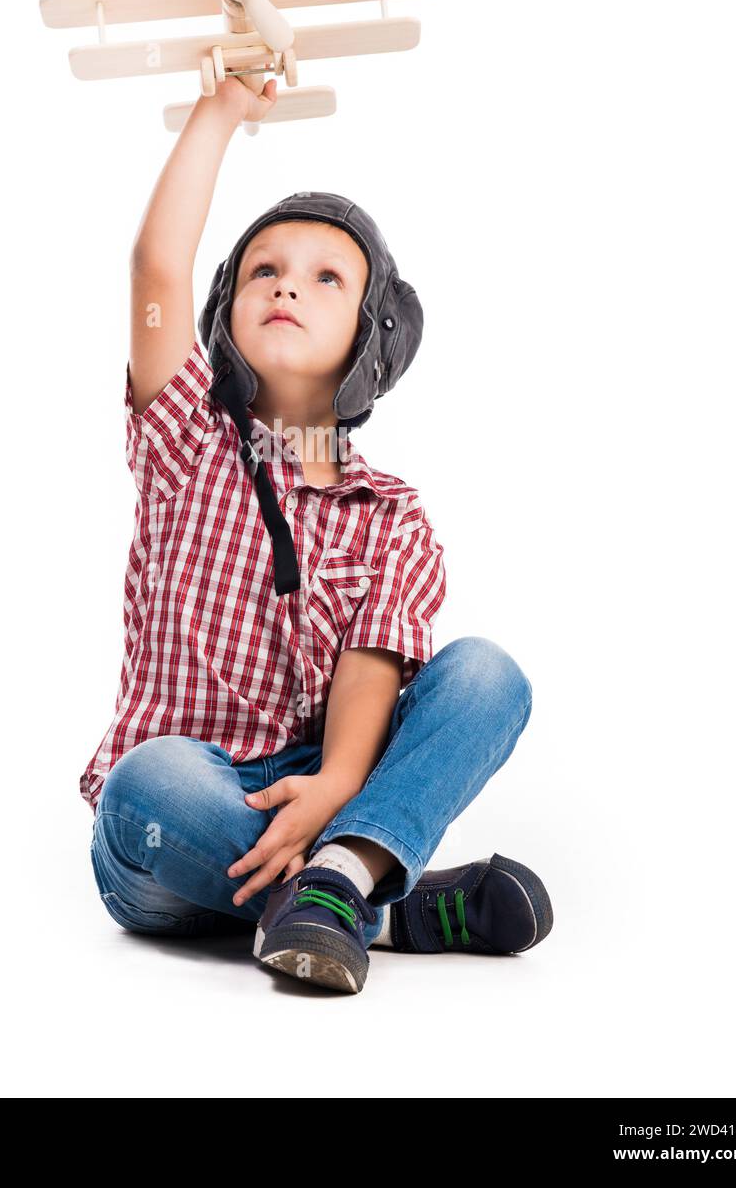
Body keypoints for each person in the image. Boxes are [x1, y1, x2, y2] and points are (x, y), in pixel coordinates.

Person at [83, 76, 553, 993]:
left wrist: (338, 789)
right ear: (227, 315)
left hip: (325, 791)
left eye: (324, 278)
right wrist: (221, 110)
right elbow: (156, 270)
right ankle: (376, 894)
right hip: (187, 823)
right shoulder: (186, 440)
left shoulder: (394, 520)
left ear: (368, 341)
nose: (287, 285)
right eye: (265, 270)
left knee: (489, 673)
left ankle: (337, 875)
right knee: (145, 784)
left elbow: (369, 685)